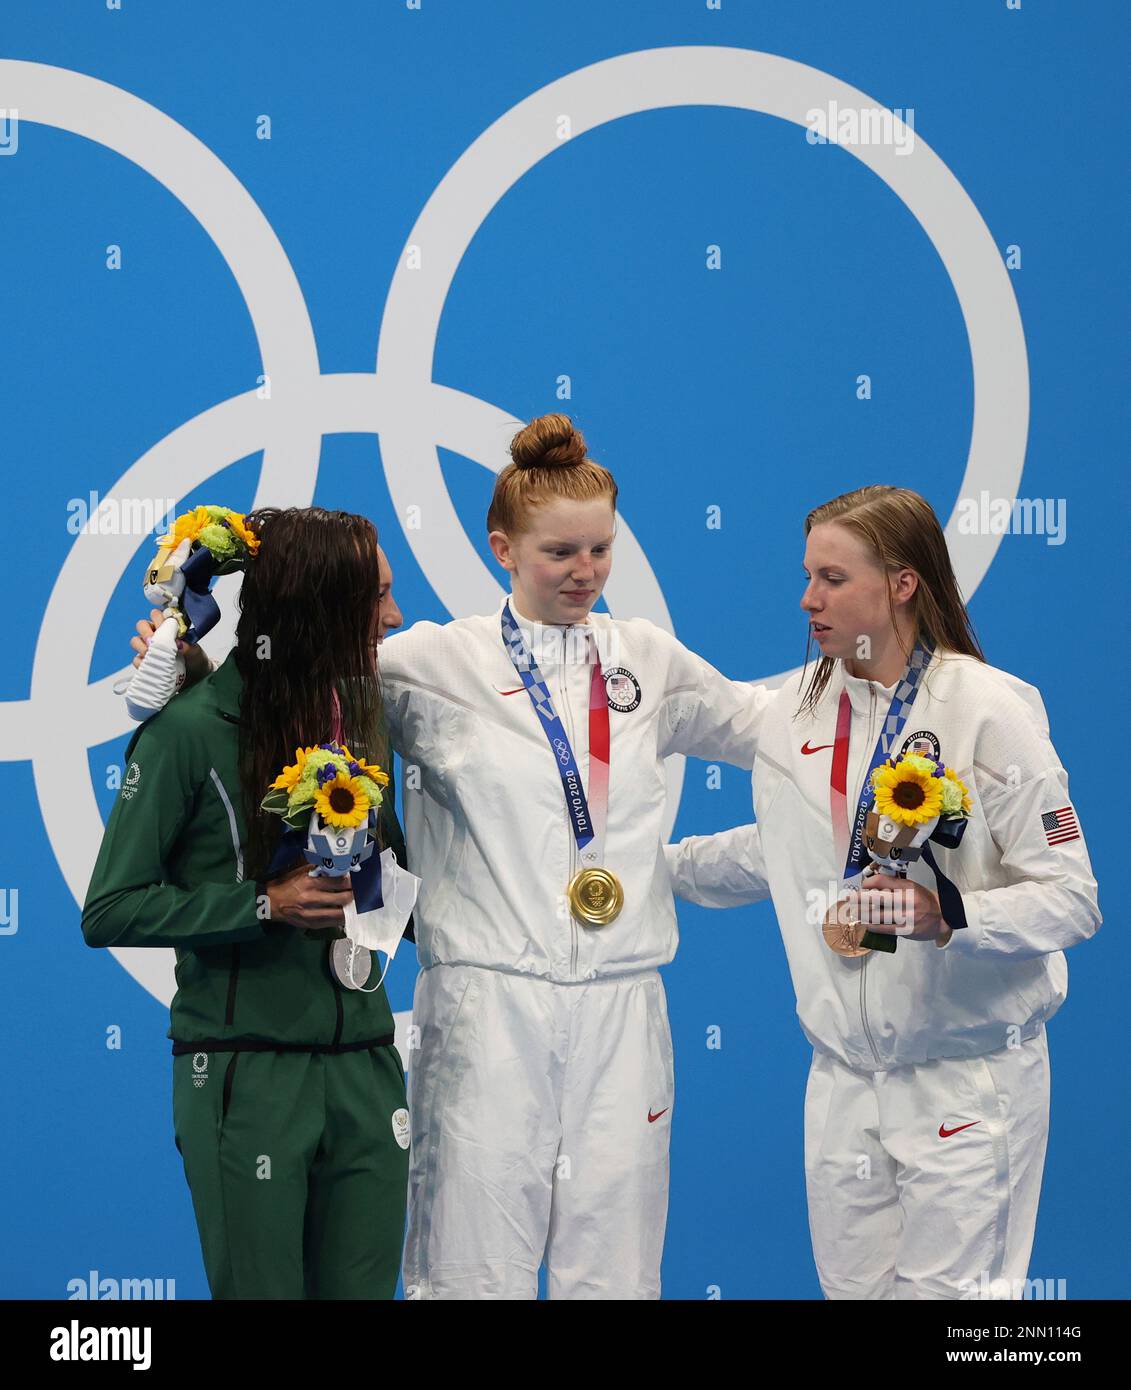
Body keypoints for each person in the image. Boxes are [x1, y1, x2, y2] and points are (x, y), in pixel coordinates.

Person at [666, 485, 1101, 1300]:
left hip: (966, 1083)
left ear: (901, 584)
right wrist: (651, 872)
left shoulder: (987, 710)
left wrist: (951, 917)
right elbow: (785, 853)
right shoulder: (798, 710)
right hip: (840, 1085)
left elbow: (1072, 898)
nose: (807, 599)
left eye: (831, 578)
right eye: (806, 576)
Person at [375, 413, 771, 1299]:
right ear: (501, 548)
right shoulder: (431, 663)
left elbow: (769, 730)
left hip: (623, 1004)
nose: (584, 572)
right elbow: (292, 689)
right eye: (559, 553)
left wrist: (913, 701)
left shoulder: (648, 661)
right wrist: (177, 665)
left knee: (617, 1270)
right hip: (486, 1004)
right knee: (467, 1268)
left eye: (600, 549)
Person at [82, 507, 410, 1299]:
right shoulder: (184, 734)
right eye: (374, 598)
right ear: (315, 608)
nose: (395, 619)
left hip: (366, 1067)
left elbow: (394, 878)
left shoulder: (363, 721)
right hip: (245, 1073)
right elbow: (111, 908)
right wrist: (262, 904)